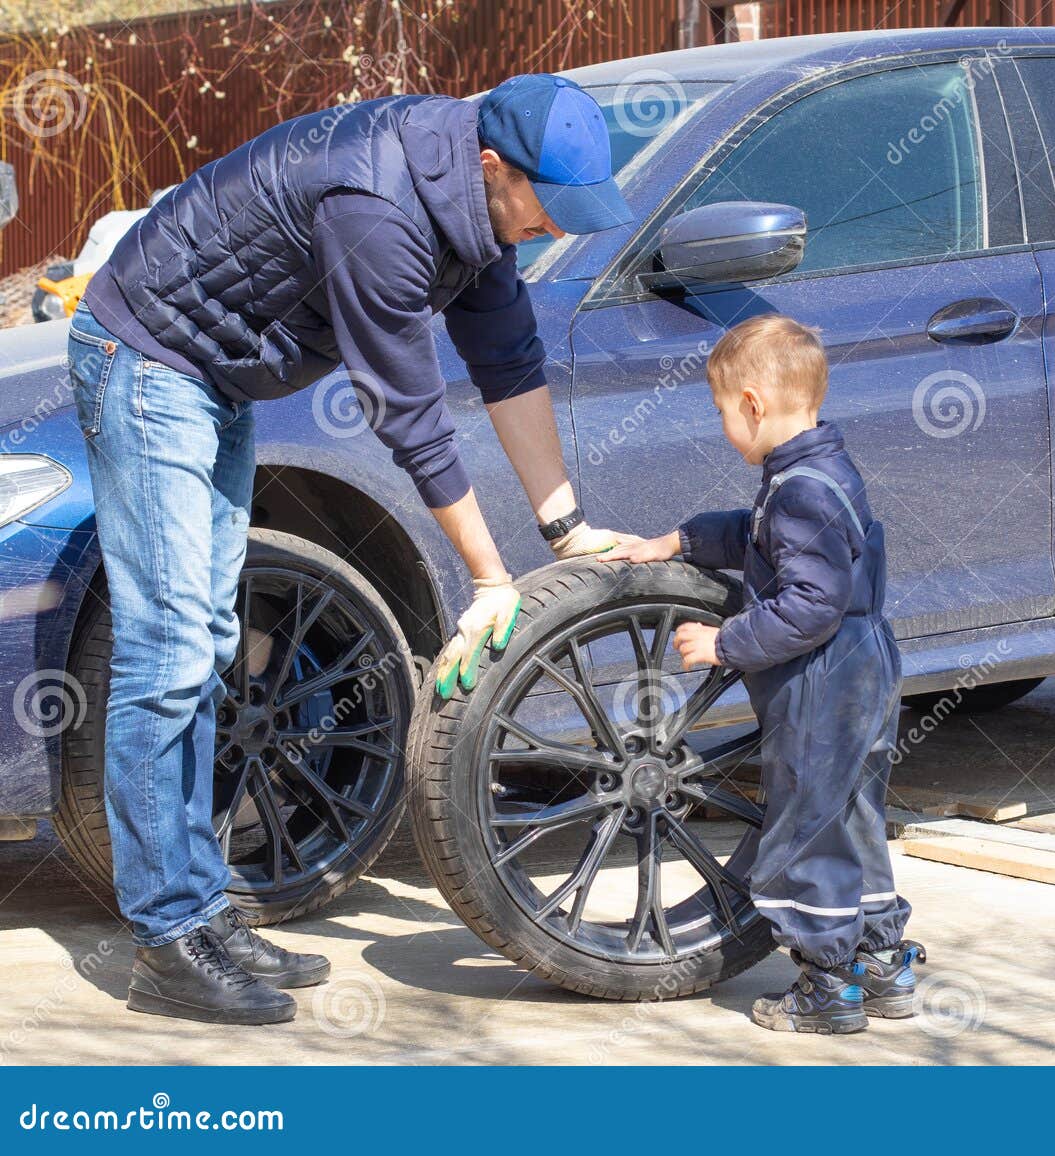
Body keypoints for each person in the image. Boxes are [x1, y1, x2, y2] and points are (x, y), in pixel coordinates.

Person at [67, 73, 635, 1025]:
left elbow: (509, 364)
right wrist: (490, 580)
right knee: (168, 655)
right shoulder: (378, 210)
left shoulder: (479, 205)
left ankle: (200, 909)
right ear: (495, 167)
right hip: (151, 360)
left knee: (205, 643)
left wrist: (567, 529)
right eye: (551, 205)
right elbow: (408, 414)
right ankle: (168, 939)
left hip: (217, 374)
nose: (560, 227)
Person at [605, 314, 923, 1034]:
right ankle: (880, 961)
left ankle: (827, 987)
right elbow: (758, 536)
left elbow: (810, 604)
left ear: (751, 404)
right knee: (852, 817)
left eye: (722, 413)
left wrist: (727, 641)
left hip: (822, 680)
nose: (724, 428)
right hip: (865, 671)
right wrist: (679, 541)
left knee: (805, 825)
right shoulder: (818, 471)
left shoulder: (799, 491)